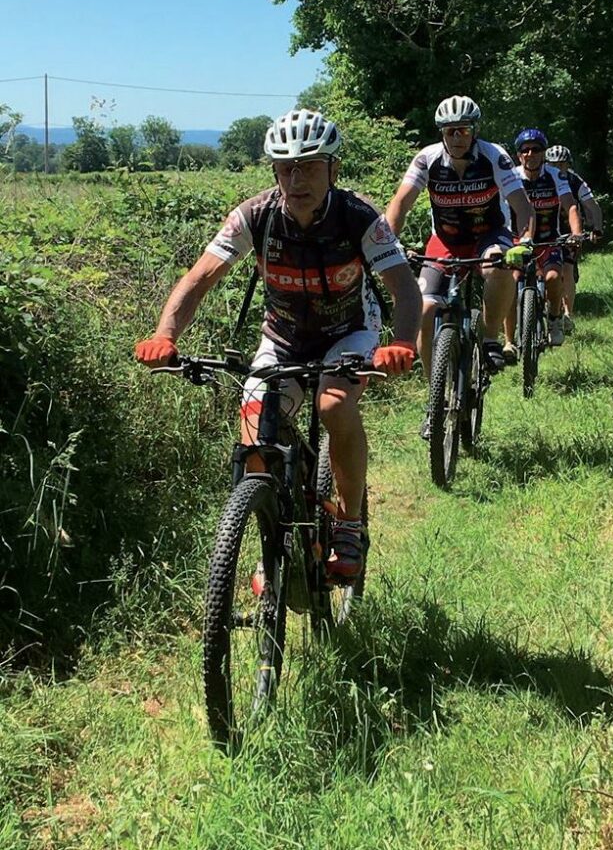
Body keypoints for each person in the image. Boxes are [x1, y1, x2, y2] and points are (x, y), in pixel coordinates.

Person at [135, 109, 421, 581]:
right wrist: (166, 335)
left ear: (334, 169)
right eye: (285, 167)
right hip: (283, 337)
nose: (296, 178)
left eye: (309, 165)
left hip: (349, 330)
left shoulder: (359, 217)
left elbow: (404, 289)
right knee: (255, 440)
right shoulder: (255, 215)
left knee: (332, 405)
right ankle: (273, 543)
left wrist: (404, 342)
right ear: (274, 171)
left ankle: (348, 523)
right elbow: (200, 278)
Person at [386, 95, 534, 436]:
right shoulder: (427, 159)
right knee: (423, 307)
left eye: (463, 130)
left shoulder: (495, 155)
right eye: (450, 131)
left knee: (496, 267)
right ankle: (435, 396)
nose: (457, 137)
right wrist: (389, 244)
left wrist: (523, 241)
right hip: (447, 240)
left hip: (489, 233)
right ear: (442, 132)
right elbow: (399, 205)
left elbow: (521, 206)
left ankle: (490, 337)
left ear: (474, 131)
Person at [503, 130, 582, 355]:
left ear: (543, 153)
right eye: (525, 150)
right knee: (511, 281)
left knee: (554, 277)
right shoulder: (511, 177)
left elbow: (571, 206)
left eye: (536, 149)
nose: (530, 154)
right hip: (518, 239)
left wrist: (576, 233)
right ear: (519, 155)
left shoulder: (556, 176)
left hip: (549, 239)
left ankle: (555, 319)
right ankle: (509, 341)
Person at [545, 144, 603, 333]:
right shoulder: (541, 178)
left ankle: (568, 315)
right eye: (553, 164)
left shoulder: (575, 181)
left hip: (569, 231)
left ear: (568, 165)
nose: (558, 169)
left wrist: (597, 228)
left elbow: (591, 206)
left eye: (562, 165)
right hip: (545, 230)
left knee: (567, 268)